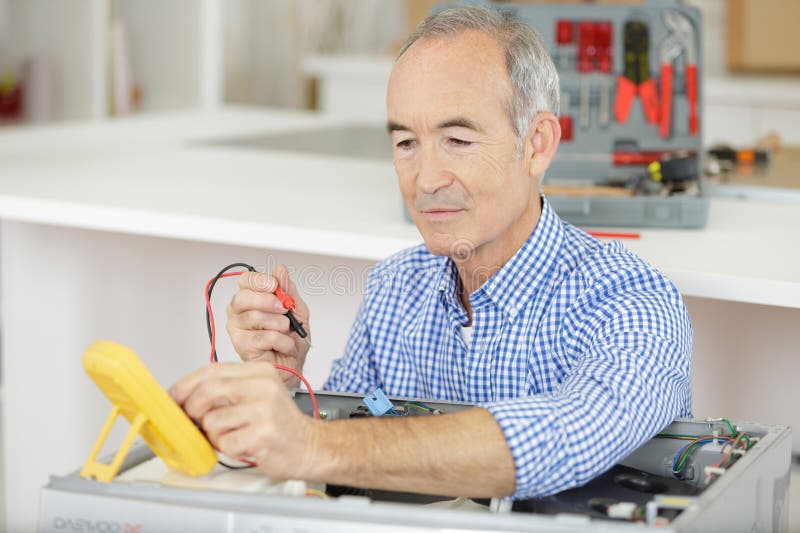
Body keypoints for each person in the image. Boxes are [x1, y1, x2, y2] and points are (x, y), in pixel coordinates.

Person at [170, 5, 692, 500]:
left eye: (458, 140)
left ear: (536, 145)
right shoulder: (396, 286)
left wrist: (311, 443)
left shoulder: (632, 300)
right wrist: (285, 383)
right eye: (406, 144)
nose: (425, 180)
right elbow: (342, 456)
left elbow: (565, 434)